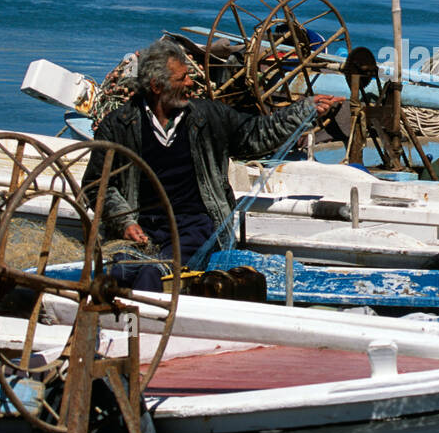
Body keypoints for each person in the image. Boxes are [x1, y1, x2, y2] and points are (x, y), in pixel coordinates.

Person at [84, 39, 340, 287]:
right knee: (118, 273)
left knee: (154, 274)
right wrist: (124, 221)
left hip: (194, 226)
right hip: (143, 227)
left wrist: (303, 110)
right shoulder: (118, 126)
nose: (190, 82)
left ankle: (144, 326)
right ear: (156, 86)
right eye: (181, 78)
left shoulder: (208, 117)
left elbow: (257, 132)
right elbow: (97, 185)